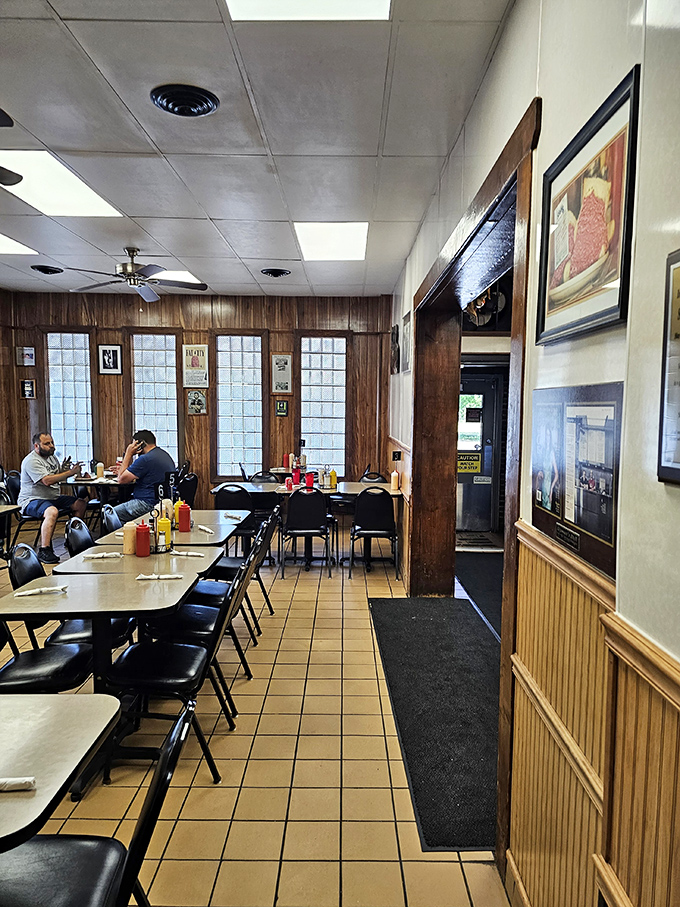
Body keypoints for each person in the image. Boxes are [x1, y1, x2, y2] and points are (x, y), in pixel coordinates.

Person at [18, 432, 87, 564]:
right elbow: (47, 480)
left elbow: (55, 474)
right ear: (36, 446)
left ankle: (72, 538)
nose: (51, 446)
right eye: (47, 444)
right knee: (52, 511)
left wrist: (64, 469)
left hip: (52, 498)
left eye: (52, 442)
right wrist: (70, 473)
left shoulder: (51, 457)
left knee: (80, 504)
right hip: (32, 500)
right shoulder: (31, 461)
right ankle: (45, 550)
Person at [111, 430, 176, 523]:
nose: (133, 447)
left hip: (147, 503)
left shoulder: (145, 459)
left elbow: (121, 480)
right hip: (163, 502)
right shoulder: (163, 454)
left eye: (134, 444)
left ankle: (125, 535)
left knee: (110, 514)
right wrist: (124, 472)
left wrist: (128, 454)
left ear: (141, 444)